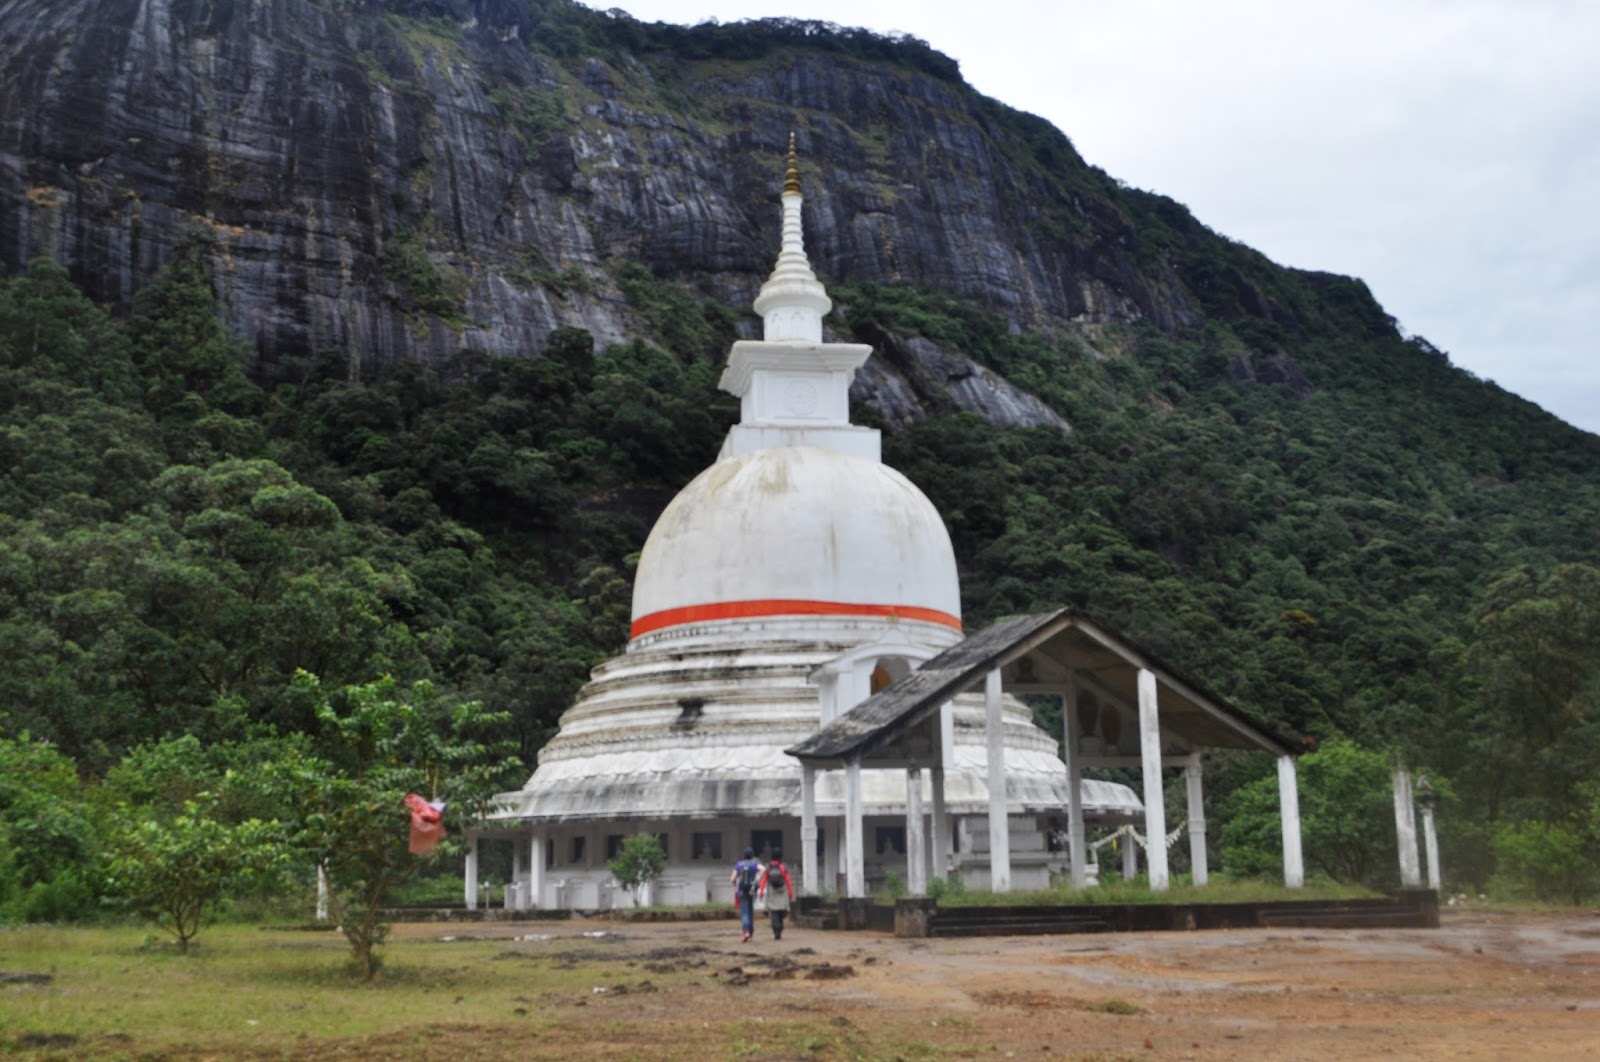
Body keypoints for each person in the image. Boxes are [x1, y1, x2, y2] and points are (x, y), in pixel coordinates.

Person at [758, 850, 795, 940]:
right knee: (781, 911)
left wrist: (761, 891)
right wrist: (791, 894)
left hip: (772, 893)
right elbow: (788, 881)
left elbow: (764, 880)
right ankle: (780, 929)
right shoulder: (782, 867)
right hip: (782, 892)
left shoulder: (768, 868)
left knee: (774, 912)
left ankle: (776, 931)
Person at [730, 847, 763, 943]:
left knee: (744, 911)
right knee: (750, 910)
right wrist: (758, 879)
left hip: (742, 890)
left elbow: (732, 879)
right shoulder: (754, 864)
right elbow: (763, 869)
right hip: (751, 890)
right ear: (752, 855)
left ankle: (746, 931)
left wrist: (735, 884)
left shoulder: (739, 864)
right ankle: (751, 931)